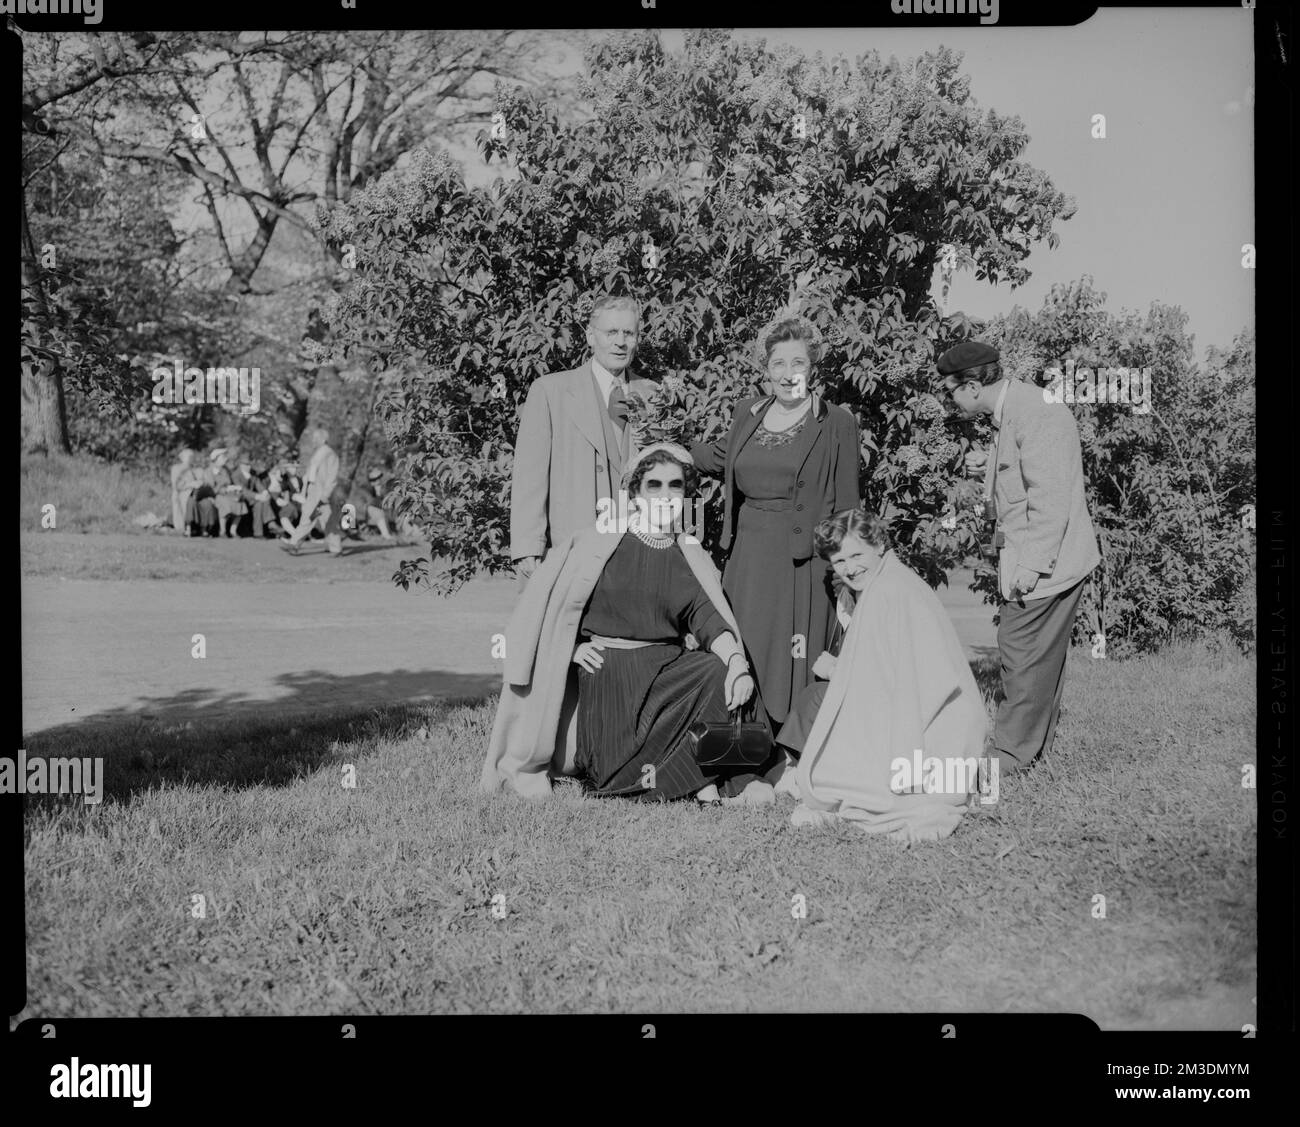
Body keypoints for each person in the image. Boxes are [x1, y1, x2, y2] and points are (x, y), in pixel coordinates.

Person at [482, 443, 768, 805]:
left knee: (717, 671)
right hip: (610, 673)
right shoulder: (596, 545)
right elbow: (550, 613)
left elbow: (709, 619)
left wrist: (737, 665)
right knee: (617, 773)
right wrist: (571, 649)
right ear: (635, 493)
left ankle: (708, 777)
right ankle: (696, 777)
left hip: (666, 668)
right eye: (655, 485)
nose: (666, 495)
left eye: (675, 486)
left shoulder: (689, 555)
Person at [690, 316, 861, 768]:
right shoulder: (748, 411)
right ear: (765, 369)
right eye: (778, 362)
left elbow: (847, 503)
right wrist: (674, 449)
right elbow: (724, 456)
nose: (788, 372)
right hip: (747, 554)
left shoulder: (837, 422)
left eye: (798, 362)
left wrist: (851, 569)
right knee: (746, 645)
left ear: (814, 368)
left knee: (795, 650)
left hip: (803, 560)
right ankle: (743, 745)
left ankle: (796, 752)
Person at [936, 341, 1101, 774]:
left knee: (1020, 650)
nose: (950, 401)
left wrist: (1031, 567)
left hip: (1046, 562)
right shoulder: (1016, 409)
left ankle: (1008, 757)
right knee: (1039, 657)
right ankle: (1033, 751)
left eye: (951, 391)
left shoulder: (1035, 411)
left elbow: (1050, 499)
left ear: (972, 386)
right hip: (1042, 558)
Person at [777, 508, 989, 843]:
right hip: (941, 720)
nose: (850, 568)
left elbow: (890, 683)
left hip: (934, 725)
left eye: (857, 555)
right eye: (839, 561)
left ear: (878, 545)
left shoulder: (887, 591)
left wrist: (835, 670)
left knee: (842, 783)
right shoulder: (889, 580)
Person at [509, 293, 658, 589]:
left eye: (628, 333)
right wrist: (528, 546)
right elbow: (530, 476)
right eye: (611, 332)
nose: (620, 341)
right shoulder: (551, 392)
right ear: (591, 336)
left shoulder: (654, 394)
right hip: (573, 548)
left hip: (638, 548)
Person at [281, 428, 348, 556]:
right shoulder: (319, 453)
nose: (313, 441)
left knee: (316, 519)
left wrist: (325, 495)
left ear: (323, 439)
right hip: (315, 491)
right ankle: (334, 548)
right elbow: (311, 475)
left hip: (323, 493)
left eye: (315, 439)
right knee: (318, 518)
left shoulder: (329, 454)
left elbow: (332, 477)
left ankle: (294, 544)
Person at [355, 468, 396, 540]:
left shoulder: (382, 488)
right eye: (375, 479)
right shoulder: (366, 488)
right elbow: (371, 502)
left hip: (375, 511)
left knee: (383, 512)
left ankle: (388, 533)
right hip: (363, 512)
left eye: (379, 478)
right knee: (377, 512)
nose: (378, 481)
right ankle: (386, 534)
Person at [169, 449, 197, 533]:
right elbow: (176, 484)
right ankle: (182, 529)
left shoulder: (193, 469)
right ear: (183, 458)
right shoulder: (177, 468)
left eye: (192, 457)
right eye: (190, 457)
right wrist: (190, 485)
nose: (192, 459)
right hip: (180, 494)